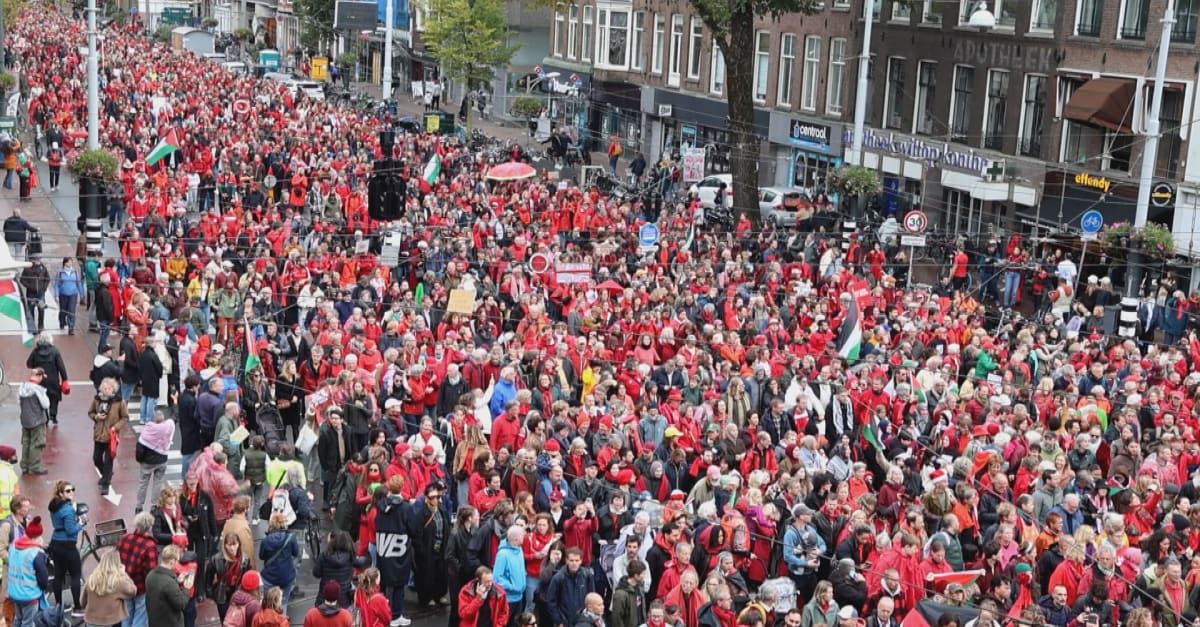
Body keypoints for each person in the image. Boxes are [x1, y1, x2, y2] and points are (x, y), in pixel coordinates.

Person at [116, 512, 160, 627]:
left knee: (127, 616)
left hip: (125, 584)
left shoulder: (125, 538)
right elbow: (151, 571)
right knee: (140, 618)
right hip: (141, 587)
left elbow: (116, 559)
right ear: (150, 527)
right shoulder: (149, 545)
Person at [411, 481, 450, 608]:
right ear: (426, 498)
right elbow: (416, 535)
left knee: (440, 572)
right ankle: (427, 597)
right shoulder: (421, 514)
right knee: (427, 574)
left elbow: (447, 527)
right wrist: (422, 550)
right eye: (432, 497)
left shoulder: (442, 510)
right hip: (427, 549)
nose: (435, 500)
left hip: (441, 547)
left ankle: (440, 594)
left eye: (438, 497)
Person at [48, 481, 84, 614]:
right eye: (68, 491)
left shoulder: (54, 506)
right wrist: (81, 524)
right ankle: (77, 607)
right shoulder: (68, 509)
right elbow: (71, 530)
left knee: (58, 575)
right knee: (75, 575)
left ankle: (58, 606)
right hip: (68, 545)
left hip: (55, 542)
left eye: (72, 489)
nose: (72, 492)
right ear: (61, 493)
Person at [90, 377, 129, 495]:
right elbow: (90, 412)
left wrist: (116, 427)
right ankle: (106, 474)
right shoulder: (97, 400)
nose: (106, 390)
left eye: (109, 388)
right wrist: (96, 417)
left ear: (113, 390)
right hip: (98, 434)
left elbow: (125, 417)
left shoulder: (119, 402)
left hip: (111, 436)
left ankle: (106, 483)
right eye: (104, 388)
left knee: (108, 460)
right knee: (96, 458)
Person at [7, 515, 48, 627]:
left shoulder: (13, 547)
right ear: (38, 536)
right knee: (28, 623)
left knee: (18, 619)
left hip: (14, 592)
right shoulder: (36, 553)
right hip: (29, 595)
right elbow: (43, 579)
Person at [81, 550, 138, 627]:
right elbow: (133, 591)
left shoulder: (91, 579)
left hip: (91, 621)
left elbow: (82, 602)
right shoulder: (119, 581)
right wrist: (124, 574)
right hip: (111, 622)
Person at [136, 410, 176, 513]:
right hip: (162, 460)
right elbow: (175, 417)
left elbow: (140, 449)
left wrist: (140, 460)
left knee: (143, 483)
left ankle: (139, 506)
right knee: (158, 483)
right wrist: (175, 403)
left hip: (147, 462)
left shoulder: (148, 430)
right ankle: (154, 505)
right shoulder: (168, 427)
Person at [258, 514, 300, 609]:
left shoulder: (266, 541)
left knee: (268, 604)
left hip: (270, 577)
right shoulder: (290, 538)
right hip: (287, 576)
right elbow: (296, 553)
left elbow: (261, 556)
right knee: (283, 603)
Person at [207, 533, 252, 621]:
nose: (232, 548)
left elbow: (247, 577)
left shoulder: (245, 559)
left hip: (238, 592)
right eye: (229, 545)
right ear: (225, 545)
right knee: (225, 620)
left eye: (234, 544)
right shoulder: (216, 559)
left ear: (239, 544)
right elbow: (209, 575)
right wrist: (210, 592)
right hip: (222, 593)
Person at [146, 545, 192, 627]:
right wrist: (186, 589)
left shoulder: (150, 575)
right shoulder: (169, 583)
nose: (177, 563)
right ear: (172, 561)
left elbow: (163, 591)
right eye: (177, 561)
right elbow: (181, 604)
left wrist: (177, 581)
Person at [24, 332, 65, 424]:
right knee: (54, 397)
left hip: (40, 381)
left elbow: (29, 364)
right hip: (53, 380)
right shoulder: (55, 351)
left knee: (42, 397)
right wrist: (65, 379)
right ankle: (53, 414)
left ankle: (45, 416)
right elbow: (61, 367)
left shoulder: (35, 352)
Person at [17, 369, 49, 475]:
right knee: (37, 443)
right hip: (37, 420)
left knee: (26, 442)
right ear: (39, 376)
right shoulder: (38, 390)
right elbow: (46, 405)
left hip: (25, 420)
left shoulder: (22, 387)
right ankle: (34, 466)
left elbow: (18, 401)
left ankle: (25, 465)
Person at [313, 530, 356, 609]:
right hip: (344, 600)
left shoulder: (324, 555)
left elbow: (316, 573)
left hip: (325, 598)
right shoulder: (350, 556)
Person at [17, 256, 49, 336]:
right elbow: (22, 279)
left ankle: (41, 326)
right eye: (37, 259)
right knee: (31, 310)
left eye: (39, 259)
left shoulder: (43, 268)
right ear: (33, 260)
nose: (39, 260)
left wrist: (44, 288)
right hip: (31, 294)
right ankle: (32, 327)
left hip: (41, 293)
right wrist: (29, 286)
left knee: (41, 309)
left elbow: (47, 278)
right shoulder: (28, 269)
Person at [611, 560, 647, 627]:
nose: (644, 576)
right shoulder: (620, 594)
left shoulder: (640, 588)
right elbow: (617, 618)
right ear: (636, 575)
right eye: (643, 574)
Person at [138, 335, 165, 424]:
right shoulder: (153, 355)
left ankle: (142, 418)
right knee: (151, 399)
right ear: (151, 343)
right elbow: (159, 367)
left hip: (144, 378)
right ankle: (148, 418)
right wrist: (160, 374)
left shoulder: (143, 354)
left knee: (144, 398)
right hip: (153, 379)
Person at [53, 257, 83, 334]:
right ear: (65, 263)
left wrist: (82, 293)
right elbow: (56, 285)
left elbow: (78, 283)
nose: (71, 263)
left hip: (73, 294)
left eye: (71, 262)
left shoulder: (75, 272)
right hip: (63, 294)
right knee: (63, 310)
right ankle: (62, 322)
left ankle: (71, 327)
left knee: (71, 310)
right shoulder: (60, 273)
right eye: (69, 262)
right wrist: (56, 295)